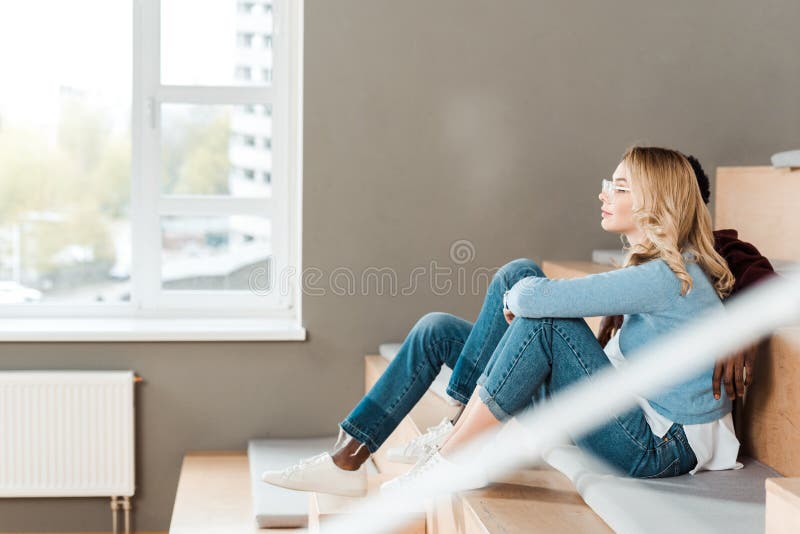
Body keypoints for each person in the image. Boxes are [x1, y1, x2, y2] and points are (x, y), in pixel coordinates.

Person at [261, 147, 776, 498]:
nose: (603, 194)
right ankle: (351, 456)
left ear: (653, 202)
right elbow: (537, 293)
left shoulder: (668, 275)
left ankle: (453, 453)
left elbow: (544, 300)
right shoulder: (656, 266)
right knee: (442, 326)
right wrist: (525, 297)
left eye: (618, 187)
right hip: (622, 405)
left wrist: (525, 300)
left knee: (542, 316)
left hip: (657, 448)